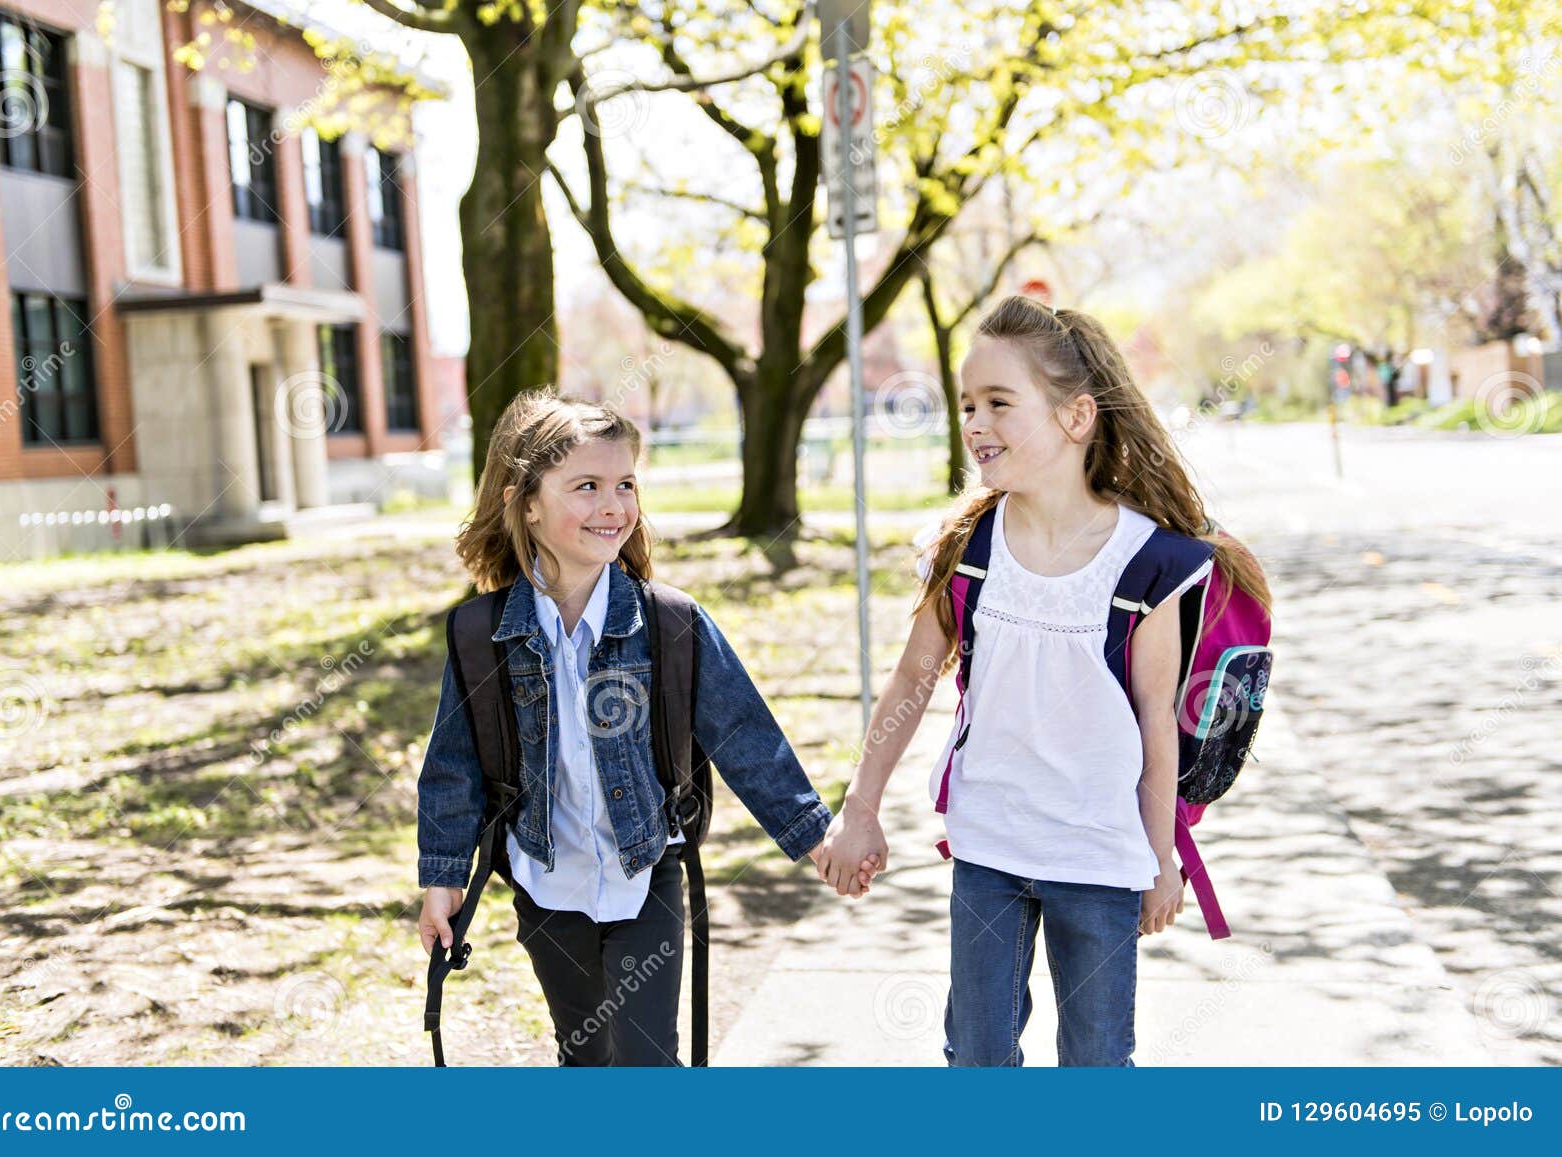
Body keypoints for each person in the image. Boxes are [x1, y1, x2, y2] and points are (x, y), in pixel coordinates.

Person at [816, 296, 1272, 1066]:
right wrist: (859, 808)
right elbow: (909, 683)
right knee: (977, 1057)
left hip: (1098, 855)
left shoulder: (1148, 562)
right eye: (967, 403)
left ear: (1076, 416)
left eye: (999, 402)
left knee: (1096, 1062)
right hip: (989, 845)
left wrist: (1160, 855)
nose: (975, 421)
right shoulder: (965, 546)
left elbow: (1156, 721)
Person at [415, 388, 872, 1065]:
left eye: (625, 483)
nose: (613, 505)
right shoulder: (482, 634)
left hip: (646, 874)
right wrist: (443, 878)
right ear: (527, 502)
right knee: (586, 1057)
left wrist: (815, 837)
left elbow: (743, 733)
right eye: (587, 486)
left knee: (648, 1060)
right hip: (547, 883)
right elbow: (453, 767)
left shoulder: (669, 624)